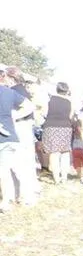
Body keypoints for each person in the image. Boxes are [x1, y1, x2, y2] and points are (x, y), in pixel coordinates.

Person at [0, 73, 28, 213]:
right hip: (10, 136)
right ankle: (21, 196)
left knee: (4, 170)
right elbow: (29, 106)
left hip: (3, 138)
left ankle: (7, 200)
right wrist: (15, 116)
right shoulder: (10, 92)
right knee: (12, 168)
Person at [41, 82, 75, 184]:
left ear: (57, 89)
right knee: (65, 152)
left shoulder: (49, 100)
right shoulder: (70, 101)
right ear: (67, 90)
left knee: (54, 153)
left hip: (51, 126)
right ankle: (64, 178)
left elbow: (43, 113)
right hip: (65, 127)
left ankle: (56, 178)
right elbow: (71, 117)